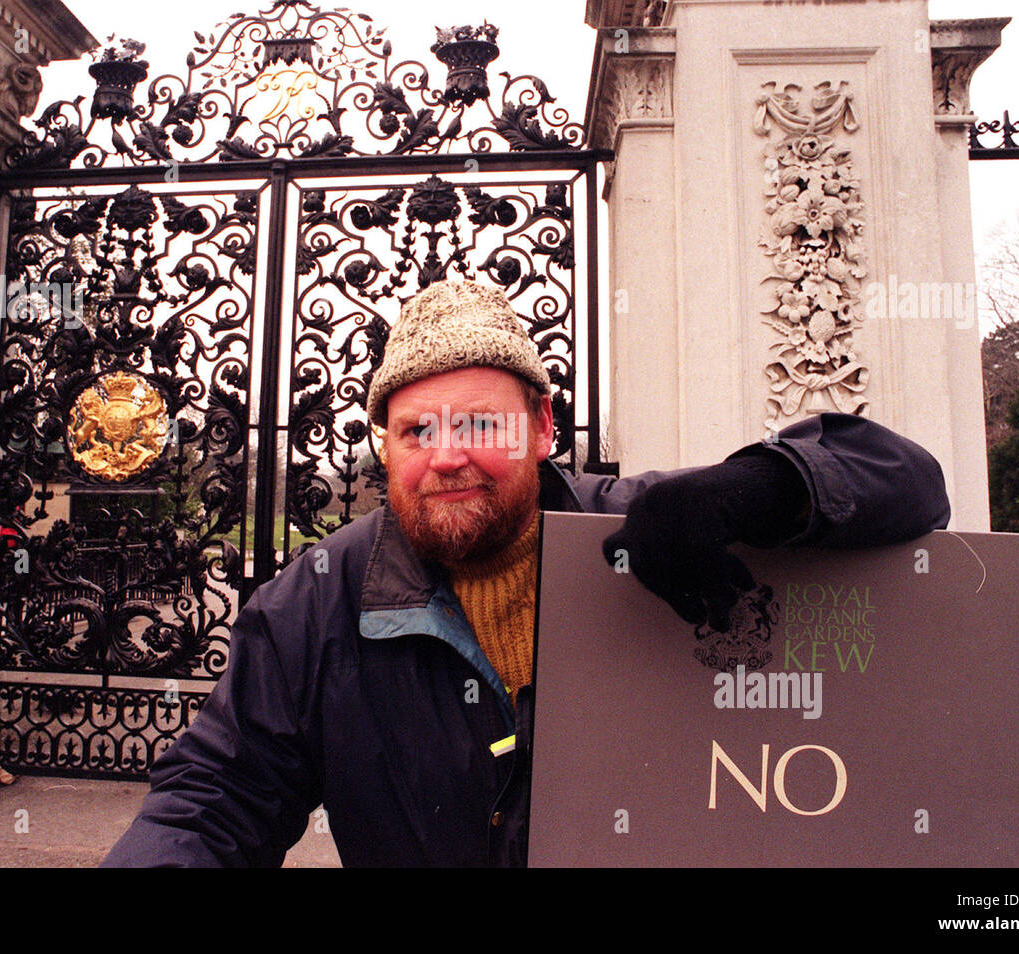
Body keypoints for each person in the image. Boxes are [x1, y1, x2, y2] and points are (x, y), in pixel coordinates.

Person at [103, 279, 950, 867]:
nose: (448, 457)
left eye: (481, 423)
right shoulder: (315, 599)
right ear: (385, 445)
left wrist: (765, 489)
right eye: (416, 432)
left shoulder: (642, 528)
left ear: (544, 426)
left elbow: (911, 482)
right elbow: (217, 795)